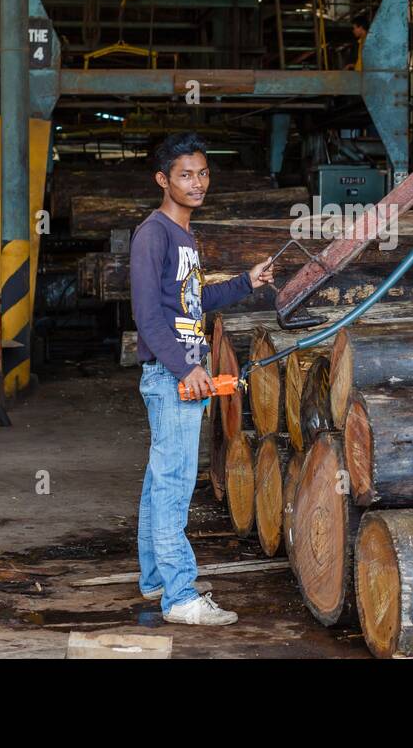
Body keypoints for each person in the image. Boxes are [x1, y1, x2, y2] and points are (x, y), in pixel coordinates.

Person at [130, 133, 274, 626]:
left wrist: (245, 283)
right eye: (186, 175)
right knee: (174, 486)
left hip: (185, 376)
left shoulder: (186, 238)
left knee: (159, 482)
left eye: (203, 173)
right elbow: (147, 317)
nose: (197, 183)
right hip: (174, 378)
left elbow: (194, 304)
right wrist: (186, 368)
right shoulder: (153, 234)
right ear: (163, 180)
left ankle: (155, 579)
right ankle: (181, 597)